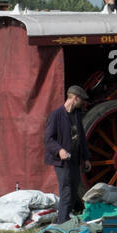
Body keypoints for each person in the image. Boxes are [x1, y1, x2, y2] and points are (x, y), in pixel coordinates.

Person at [44, 85, 90, 223]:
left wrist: (86, 158)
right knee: (66, 190)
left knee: (73, 189)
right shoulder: (56, 115)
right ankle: (62, 222)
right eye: (81, 99)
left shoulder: (76, 115)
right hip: (62, 161)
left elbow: (81, 138)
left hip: (75, 160)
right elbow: (48, 139)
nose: (82, 102)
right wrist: (59, 150)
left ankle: (65, 217)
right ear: (75, 98)